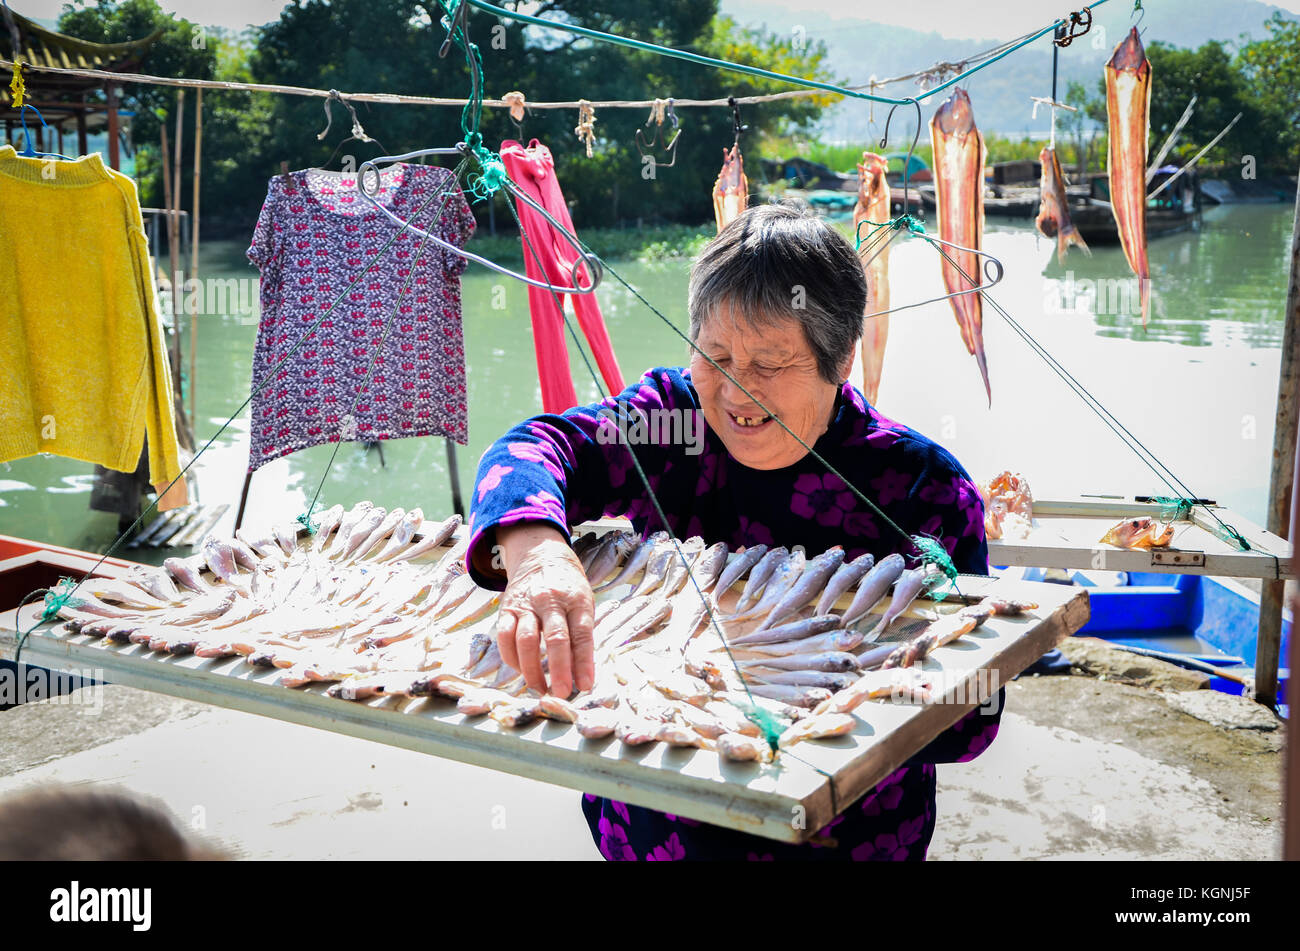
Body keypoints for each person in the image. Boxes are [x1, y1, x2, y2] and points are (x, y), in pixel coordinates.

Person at [465, 200, 1001, 861]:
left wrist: (825, 699)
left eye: (769, 363)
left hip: (848, 840)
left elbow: (974, 720)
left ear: (841, 358)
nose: (735, 391)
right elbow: (534, 448)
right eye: (713, 353)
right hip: (657, 834)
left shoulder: (922, 488)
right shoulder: (675, 426)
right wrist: (537, 550)